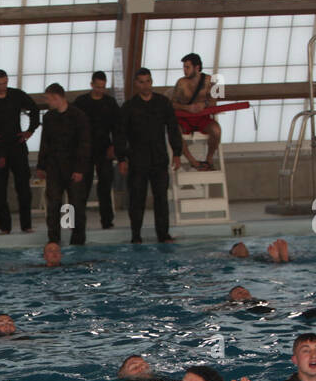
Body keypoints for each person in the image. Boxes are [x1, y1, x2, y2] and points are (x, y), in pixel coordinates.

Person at [115, 68, 182, 243]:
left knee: (161, 198)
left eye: (148, 81)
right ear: (136, 84)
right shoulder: (129, 107)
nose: (146, 85)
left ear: (152, 82)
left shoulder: (163, 103)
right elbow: (120, 135)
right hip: (137, 160)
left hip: (159, 159)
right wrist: (121, 158)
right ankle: (136, 235)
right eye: (142, 82)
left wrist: (177, 153)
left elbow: (173, 128)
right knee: (137, 199)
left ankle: (163, 234)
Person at [36, 83, 90, 246]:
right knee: (53, 205)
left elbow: (85, 144)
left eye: (48, 99)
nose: (47, 102)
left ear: (57, 97)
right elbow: (45, 143)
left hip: (74, 168)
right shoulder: (49, 117)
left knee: (76, 206)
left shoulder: (79, 116)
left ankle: (78, 239)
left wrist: (80, 169)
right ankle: (54, 239)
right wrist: (41, 166)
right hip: (54, 167)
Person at [0, 69, 38, 234]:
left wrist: (30, 131)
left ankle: (26, 225)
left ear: (8, 81)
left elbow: (35, 110)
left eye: (5, 83)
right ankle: (4, 227)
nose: (2, 87)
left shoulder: (17, 95)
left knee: (23, 188)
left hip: (17, 146)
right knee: (0, 189)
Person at [73, 71, 121, 230]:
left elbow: (117, 127)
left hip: (104, 149)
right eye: (98, 86)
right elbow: (74, 128)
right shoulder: (81, 102)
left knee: (105, 186)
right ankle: (76, 222)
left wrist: (114, 146)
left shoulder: (110, 103)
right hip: (85, 150)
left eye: (103, 87)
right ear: (92, 84)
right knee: (81, 188)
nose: (100, 90)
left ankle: (107, 221)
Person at [171, 52, 221, 171]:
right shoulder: (181, 83)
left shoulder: (210, 80)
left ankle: (209, 159)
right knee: (175, 132)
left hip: (202, 118)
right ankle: (193, 161)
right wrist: (187, 108)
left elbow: (214, 101)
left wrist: (204, 105)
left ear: (197, 67)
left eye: (187, 67)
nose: (184, 70)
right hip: (184, 118)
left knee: (216, 130)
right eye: (184, 67)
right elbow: (172, 104)